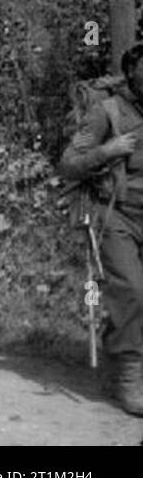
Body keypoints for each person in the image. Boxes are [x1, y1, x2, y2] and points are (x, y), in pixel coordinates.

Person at [60, 42, 143, 416]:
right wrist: (107, 152)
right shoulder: (104, 112)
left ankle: (119, 361)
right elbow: (69, 163)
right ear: (132, 74)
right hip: (116, 214)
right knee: (131, 291)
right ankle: (128, 376)